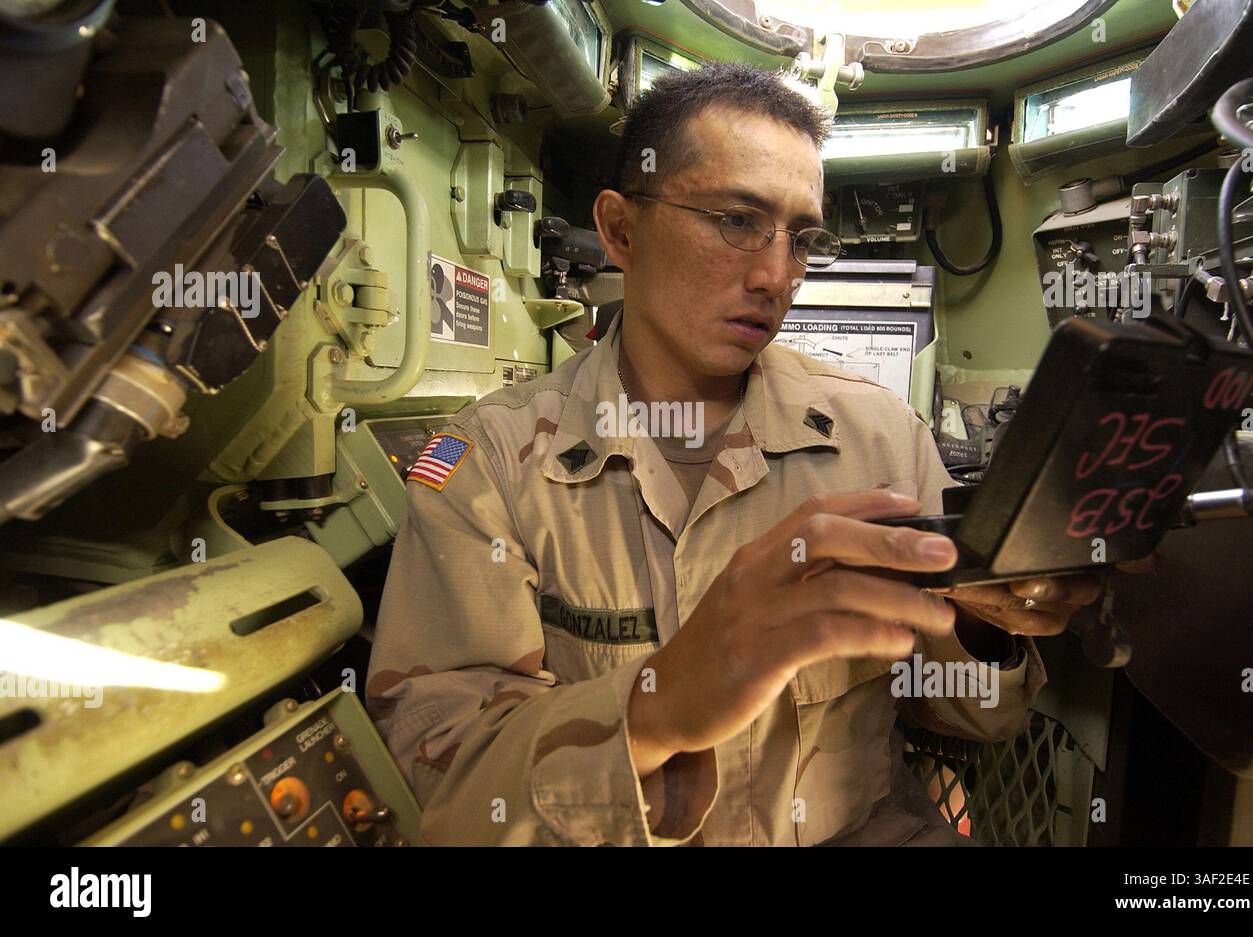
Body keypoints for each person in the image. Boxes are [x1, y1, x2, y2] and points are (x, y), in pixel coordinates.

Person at [366, 62, 1101, 845]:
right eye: (736, 220)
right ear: (621, 230)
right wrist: (658, 704)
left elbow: (971, 716)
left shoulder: (881, 437)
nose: (776, 275)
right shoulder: (493, 466)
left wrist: (988, 624)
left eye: (802, 238)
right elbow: (441, 785)